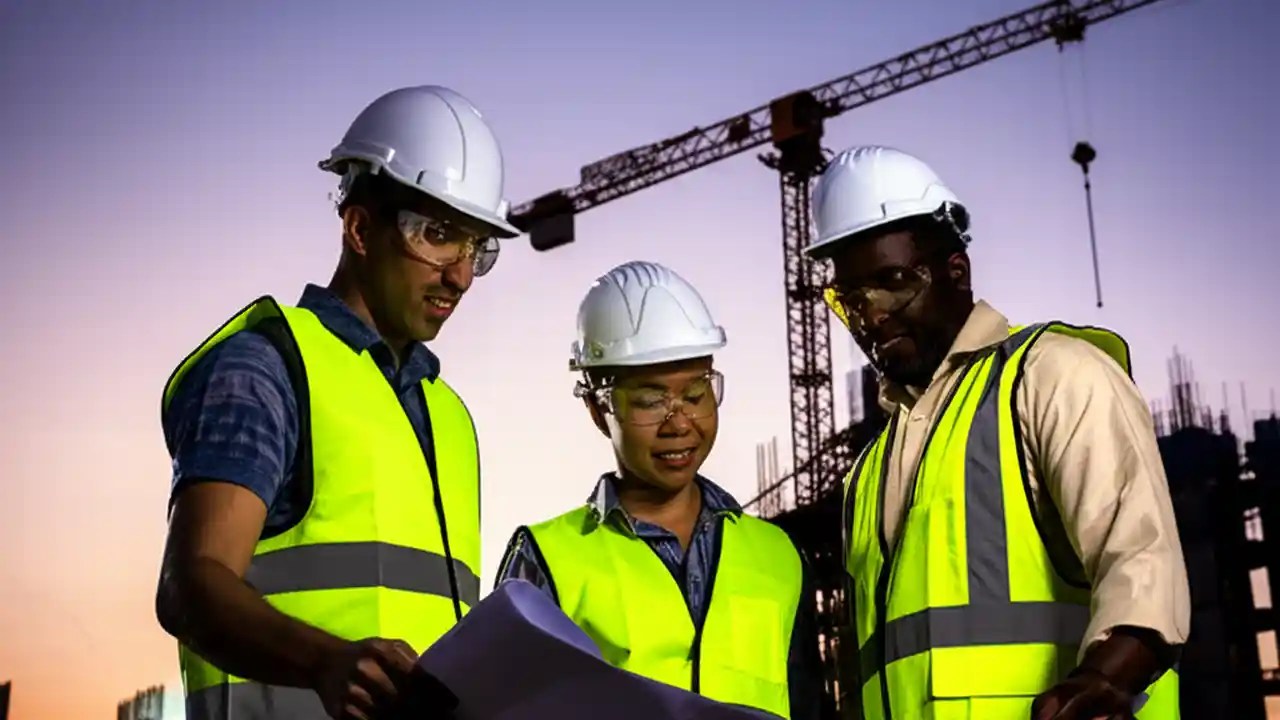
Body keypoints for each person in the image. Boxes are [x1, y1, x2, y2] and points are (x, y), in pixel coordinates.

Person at [155, 85, 520, 720]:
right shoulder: (267, 368)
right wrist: (323, 661)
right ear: (359, 227)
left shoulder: (449, 416)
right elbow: (189, 586)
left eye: (475, 248)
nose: (460, 275)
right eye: (438, 235)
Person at [808, 145, 1190, 720]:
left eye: (891, 284)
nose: (873, 316)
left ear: (955, 271)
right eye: (853, 299)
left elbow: (1142, 561)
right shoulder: (868, 471)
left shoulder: (1051, 376)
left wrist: (1103, 681)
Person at [494, 261, 825, 719]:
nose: (680, 424)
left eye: (695, 395)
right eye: (651, 401)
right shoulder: (546, 559)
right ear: (597, 408)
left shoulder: (778, 555)